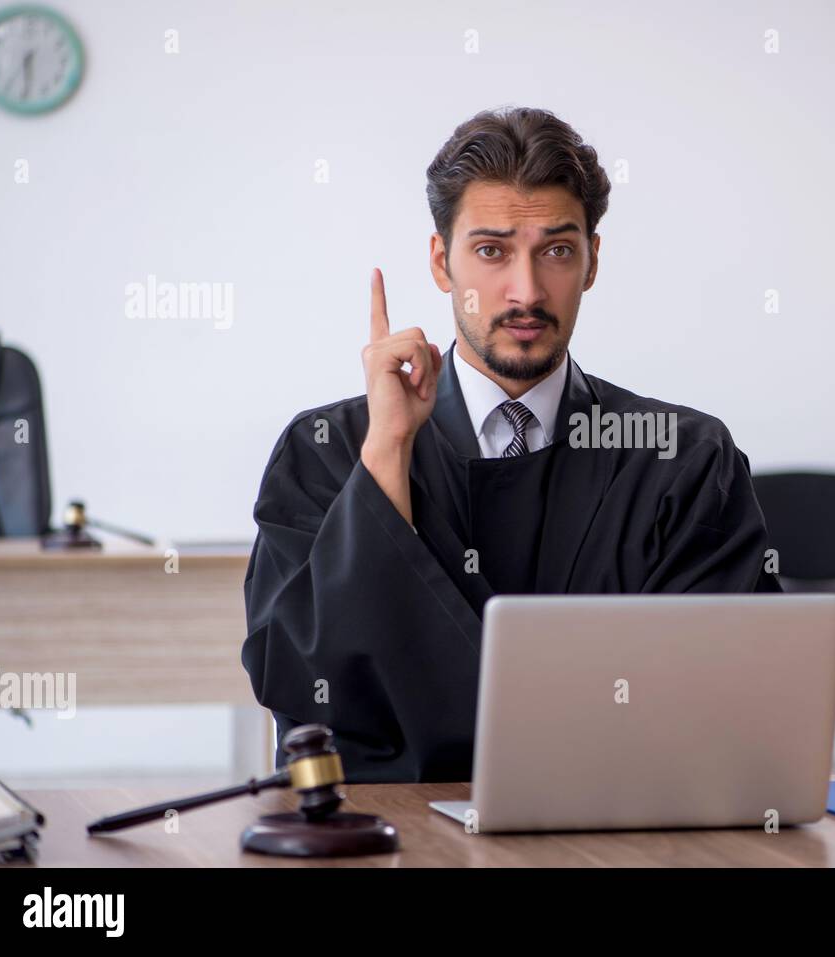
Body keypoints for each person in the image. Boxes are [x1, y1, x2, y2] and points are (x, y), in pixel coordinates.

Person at [242, 106, 781, 782]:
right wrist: (385, 458)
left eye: (556, 250)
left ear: (591, 262)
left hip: (616, 837)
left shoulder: (684, 459)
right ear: (442, 263)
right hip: (386, 840)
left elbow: (723, 700)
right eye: (491, 251)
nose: (525, 291)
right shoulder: (326, 448)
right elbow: (296, 680)